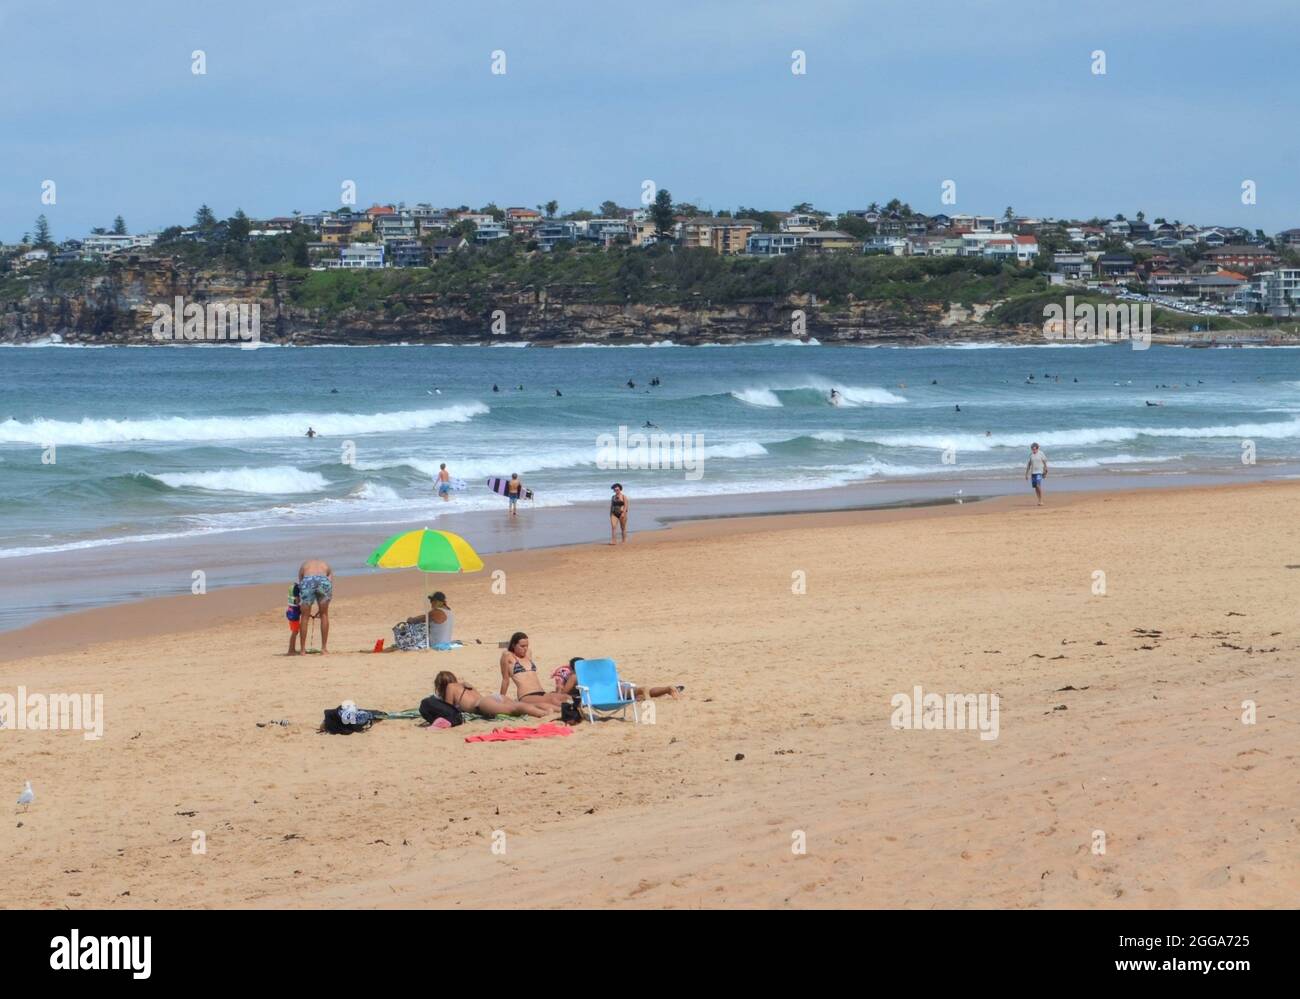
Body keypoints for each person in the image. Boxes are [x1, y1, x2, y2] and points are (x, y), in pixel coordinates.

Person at [435, 671, 554, 719]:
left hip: (481, 705)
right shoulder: (465, 685)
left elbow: (447, 709)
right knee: (518, 704)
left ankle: (543, 713)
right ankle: (552, 707)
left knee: (515, 708)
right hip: (492, 698)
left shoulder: (450, 687)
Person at [554, 658, 684, 701]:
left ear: (573, 668)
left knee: (637, 694)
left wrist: (560, 688)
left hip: (606, 695)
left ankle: (642, 692)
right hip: (615, 686)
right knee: (638, 691)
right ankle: (667, 689)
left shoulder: (574, 676)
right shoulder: (594, 673)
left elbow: (563, 695)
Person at [500, 632, 568, 707]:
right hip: (526, 695)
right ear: (513, 645)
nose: (525, 648)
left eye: (527, 646)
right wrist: (501, 699)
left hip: (541, 692)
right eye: (522, 646)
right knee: (553, 701)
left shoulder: (528, 653)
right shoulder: (507, 656)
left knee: (565, 697)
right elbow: (505, 680)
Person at [296, 558, 333, 653]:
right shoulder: (326, 565)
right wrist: (322, 608)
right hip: (323, 580)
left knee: (304, 617)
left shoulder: (304, 565)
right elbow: (330, 583)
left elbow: (300, 583)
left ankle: (303, 650)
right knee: (324, 615)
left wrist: (299, 599)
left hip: (308, 580)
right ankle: (324, 648)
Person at [285, 582, 303, 655]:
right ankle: (291, 650)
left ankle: (292, 649)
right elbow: (298, 604)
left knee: (295, 632)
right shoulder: (296, 600)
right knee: (294, 632)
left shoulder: (292, 603)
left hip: (291, 613)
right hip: (293, 615)